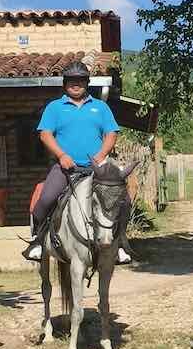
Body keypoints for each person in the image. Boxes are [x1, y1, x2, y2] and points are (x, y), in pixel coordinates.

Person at [23, 61, 132, 264]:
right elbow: (45, 134)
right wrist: (62, 155)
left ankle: (120, 244)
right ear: (65, 84)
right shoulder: (55, 108)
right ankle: (37, 241)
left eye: (80, 80)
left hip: (96, 169)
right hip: (66, 169)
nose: (76, 84)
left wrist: (101, 156)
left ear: (86, 83)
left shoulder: (100, 107)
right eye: (72, 81)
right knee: (46, 199)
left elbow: (111, 133)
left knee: (124, 200)